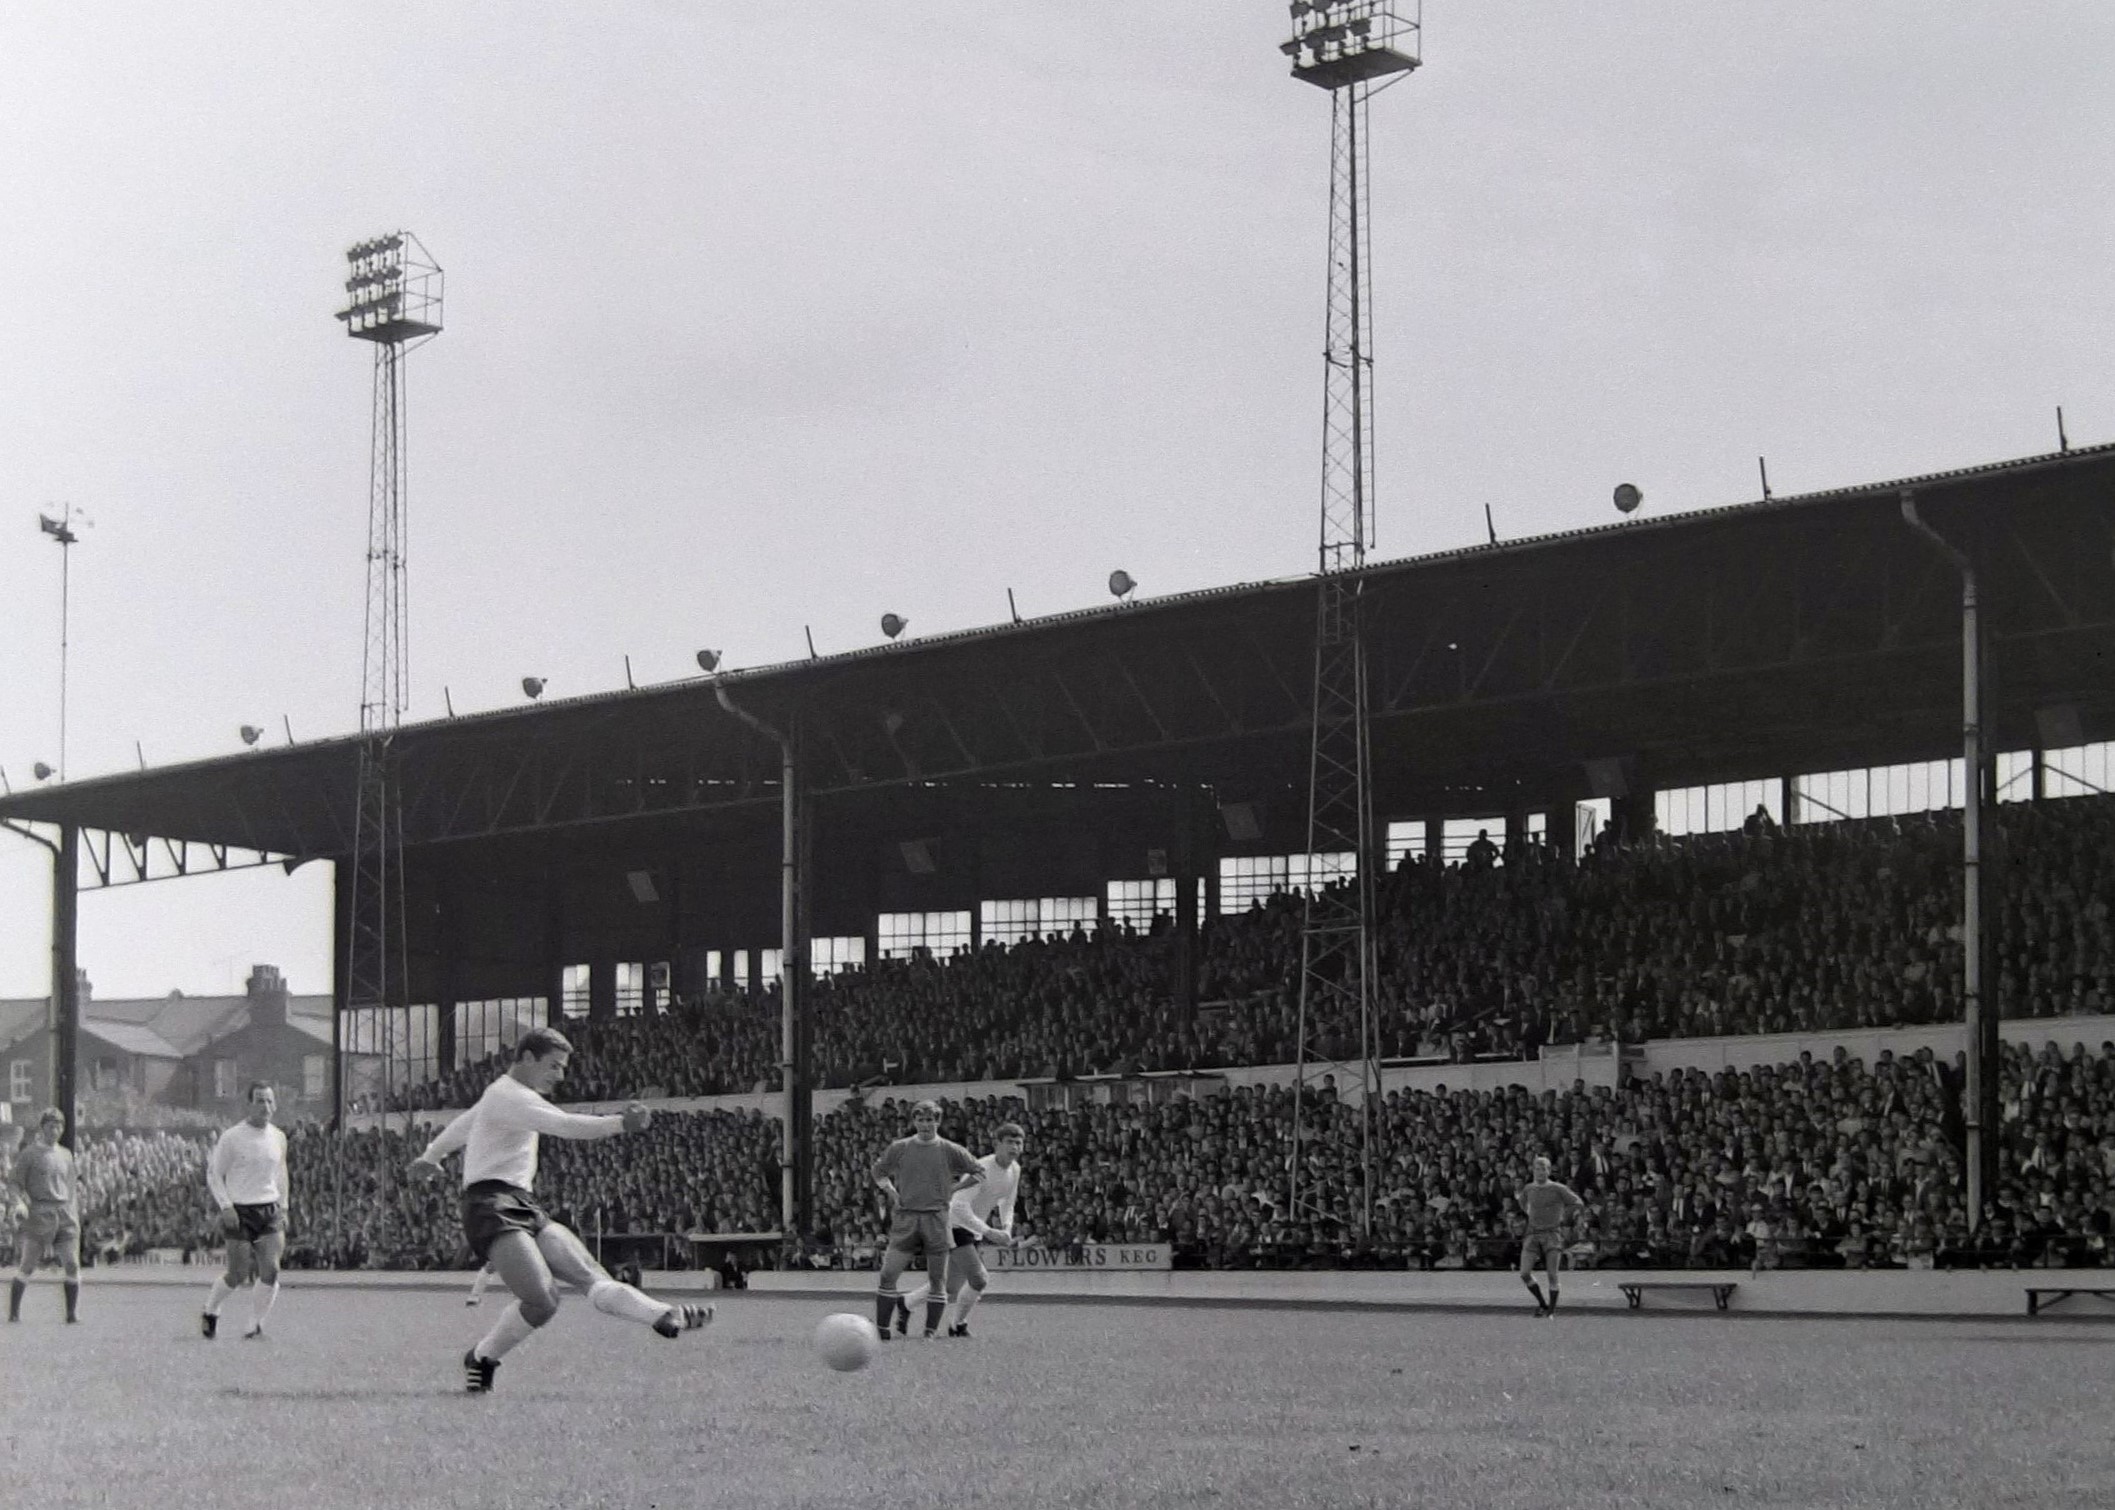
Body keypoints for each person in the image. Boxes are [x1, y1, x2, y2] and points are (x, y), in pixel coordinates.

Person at [409, 1027, 713, 1394]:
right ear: (527, 1058)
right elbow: (564, 1125)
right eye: (554, 1066)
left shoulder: (501, 1095)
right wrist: (621, 1123)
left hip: (523, 1201)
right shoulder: (510, 1096)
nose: (561, 1075)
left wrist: (431, 1155)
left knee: (592, 1276)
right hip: (489, 1205)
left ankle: (663, 1314)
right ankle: (482, 1357)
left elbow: (466, 1123)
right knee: (543, 1300)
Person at [898, 1122, 1026, 1338]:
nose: (1014, 1147)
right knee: (979, 1279)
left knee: (951, 1287)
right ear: (997, 1144)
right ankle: (957, 1326)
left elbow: (1008, 1203)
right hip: (955, 1224)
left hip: (972, 1228)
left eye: (1018, 1143)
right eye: (1009, 1142)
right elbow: (958, 1205)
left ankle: (905, 1302)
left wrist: (1006, 1228)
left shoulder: (1015, 1169)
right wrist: (989, 1231)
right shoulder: (982, 1169)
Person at [870, 1100, 984, 1340]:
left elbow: (979, 1173)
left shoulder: (950, 1149)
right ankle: (882, 1331)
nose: (925, 1125)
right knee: (888, 1274)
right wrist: (892, 1193)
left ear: (938, 1122)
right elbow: (878, 1171)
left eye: (930, 1120)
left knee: (937, 1279)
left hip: (937, 1218)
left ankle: (929, 1334)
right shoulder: (900, 1147)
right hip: (906, 1217)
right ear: (914, 1121)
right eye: (920, 1120)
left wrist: (955, 1188)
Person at [201, 1083, 291, 1340]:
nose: (265, 1106)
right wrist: (226, 1206)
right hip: (240, 1210)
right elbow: (214, 1174)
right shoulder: (232, 1137)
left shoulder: (278, 1137)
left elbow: (281, 1174)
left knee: (271, 1270)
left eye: (269, 1101)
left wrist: (284, 1206)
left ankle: (254, 1324)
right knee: (238, 1273)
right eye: (260, 1101)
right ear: (249, 1104)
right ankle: (211, 1309)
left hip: (269, 1208)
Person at [8, 1108, 80, 1324]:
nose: (55, 1131)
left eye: (58, 1127)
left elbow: (71, 1187)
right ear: (42, 1128)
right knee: (28, 1265)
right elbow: (14, 1183)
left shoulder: (66, 1155)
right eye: (50, 1126)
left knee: (72, 1264)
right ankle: (14, 1313)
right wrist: (18, 1203)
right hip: (39, 1214)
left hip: (65, 1214)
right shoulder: (29, 1154)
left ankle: (71, 1314)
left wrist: (73, 1213)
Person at [1517, 1155, 1583, 1317]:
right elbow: (1522, 1203)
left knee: (1552, 1274)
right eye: (1537, 1169)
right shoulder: (1528, 1188)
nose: (1540, 1172)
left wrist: (1562, 1215)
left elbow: (1577, 1203)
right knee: (1524, 1273)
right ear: (1533, 1171)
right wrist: (1531, 1213)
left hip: (1552, 1234)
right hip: (1532, 1233)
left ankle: (1551, 1312)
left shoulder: (1558, 1188)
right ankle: (1542, 1304)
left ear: (1548, 1171)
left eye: (1543, 1169)